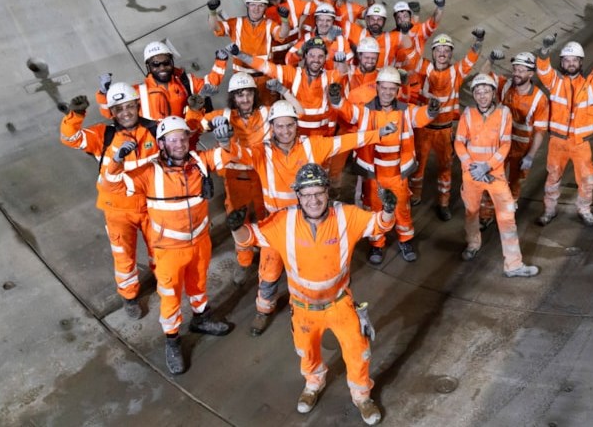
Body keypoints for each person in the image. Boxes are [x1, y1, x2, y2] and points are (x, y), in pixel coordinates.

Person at [226, 163, 396, 425]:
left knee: (359, 351)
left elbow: (379, 225)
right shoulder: (283, 222)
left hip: (340, 304)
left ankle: (362, 396)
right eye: (306, 194)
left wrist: (388, 210)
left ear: (328, 192)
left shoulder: (346, 217)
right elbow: (248, 238)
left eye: (318, 193)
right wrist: (236, 226)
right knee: (306, 352)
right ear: (298, 196)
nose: (313, 200)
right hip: (304, 310)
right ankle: (313, 383)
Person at [221, 101, 394, 335]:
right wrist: (225, 143)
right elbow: (239, 154)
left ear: (297, 125)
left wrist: (378, 133)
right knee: (269, 270)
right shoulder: (262, 152)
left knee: (323, 263)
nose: (285, 131)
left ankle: (333, 304)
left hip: (311, 220)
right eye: (279, 126)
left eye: (289, 125)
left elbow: (346, 141)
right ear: (272, 127)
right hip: (278, 225)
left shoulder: (313, 146)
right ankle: (264, 310)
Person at [100, 116, 235, 375]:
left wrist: (225, 141)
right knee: (170, 296)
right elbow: (111, 186)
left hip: (199, 242)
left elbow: (227, 157)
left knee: (198, 285)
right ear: (161, 144)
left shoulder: (199, 162)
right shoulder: (149, 172)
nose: (179, 144)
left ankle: (201, 319)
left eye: (183, 139)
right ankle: (172, 341)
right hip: (169, 251)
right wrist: (116, 161)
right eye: (172, 140)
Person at [59, 83, 159, 319]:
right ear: (112, 112)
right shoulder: (103, 135)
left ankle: (164, 282)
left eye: (130, 106)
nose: (125, 113)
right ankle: (129, 297)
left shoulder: (154, 130)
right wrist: (76, 115)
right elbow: (70, 138)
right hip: (117, 210)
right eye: (119, 109)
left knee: (160, 249)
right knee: (124, 257)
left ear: (138, 106)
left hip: (151, 204)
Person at [199, 72, 303, 277]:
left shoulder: (266, 113)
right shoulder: (223, 116)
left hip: (264, 174)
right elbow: (193, 126)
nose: (245, 99)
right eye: (240, 95)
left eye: (248, 94)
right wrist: (199, 102)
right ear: (233, 97)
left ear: (255, 95)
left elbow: (298, 112)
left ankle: (272, 257)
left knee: (269, 218)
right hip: (236, 179)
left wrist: (283, 91)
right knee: (239, 220)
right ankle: (244, 262)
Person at [331, 67, 438, 264]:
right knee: (374, 208)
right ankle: (377, 244)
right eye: (384, 88)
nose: (387, 92)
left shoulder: (405, 110)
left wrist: (432, 110)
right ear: (377, 87)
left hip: (397, 172)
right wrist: (336, 99)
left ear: (397, 90)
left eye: (392, 89)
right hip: (375, 174)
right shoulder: (366, 111)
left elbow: (421, 116)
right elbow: (348, 111)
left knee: (401, 208)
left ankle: (405, 240)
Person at [535, 33, 593, 226]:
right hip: (558, 141)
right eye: (567, 60)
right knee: (553, 177)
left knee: (587, 178)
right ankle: (549, 210)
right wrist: (544, 50)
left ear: (580, 62)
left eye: (574, 60)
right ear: (562, 62)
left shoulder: (591, 83)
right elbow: (543, 69)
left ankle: (584, 209)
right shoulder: (555, 82)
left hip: (581, 143)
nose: (571, 64)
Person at [454, 74, 539, 277]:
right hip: (471, 174)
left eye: (486, 91)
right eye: (478, 92)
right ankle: (473, 244)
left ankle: (513, 264)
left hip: (494, 175)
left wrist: (487, 166)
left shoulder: (504, 113)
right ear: (474, 95)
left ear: (493, 93)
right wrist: (472, 166)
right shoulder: (468, 113)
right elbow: (459, 142)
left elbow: (505, 144)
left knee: (507, 216)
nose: (482, 96)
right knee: (471, 212)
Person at [404, 31, 483, 219]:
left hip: (445, 130)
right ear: (433, 53)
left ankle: (443, 202)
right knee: (417, 165)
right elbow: (410, 54)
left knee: (445, 167)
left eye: (446, 50)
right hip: (425, 129)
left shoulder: (456, 72)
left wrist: (478, 41)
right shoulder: (424, 68)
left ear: (450, 54)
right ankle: (414, 195)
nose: (442, 53)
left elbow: (471, 59)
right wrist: (406, 33)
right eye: (438, 50)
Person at [478, 50, 549, 228]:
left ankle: (506, 214)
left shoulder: (539, 99)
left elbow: (540, 131)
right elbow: (482, 77)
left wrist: (530, 155)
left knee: (514, 184)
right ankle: (486, 214)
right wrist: (490, 59)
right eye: (515, 69)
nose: (516, 73)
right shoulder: (505, 85)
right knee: (492, 178)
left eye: (521, 70)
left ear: (531, 74)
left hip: (521, 149)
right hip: (500, 144)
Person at [95, 39, 226, 121]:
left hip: (182, 140)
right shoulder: (137, 92)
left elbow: (210, 84)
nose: (162, 68)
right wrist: (103, 93)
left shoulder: (186, 82)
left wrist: (220, 61)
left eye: (166, 63)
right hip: (153, 145)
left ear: (172, 62)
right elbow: (111, 113)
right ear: (149, 67)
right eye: (156, 64)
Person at [208, 0, 291, 105]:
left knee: (267, 110)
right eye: (253, 5)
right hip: (242, 81)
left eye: (260, 5)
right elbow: (216, 27)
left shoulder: (269, 24)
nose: (256, 9)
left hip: (264, 80)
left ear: (265, 7)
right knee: (245, 111)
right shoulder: (236, 23)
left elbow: (283, 34)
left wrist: (285, 20)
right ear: (247, 5)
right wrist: (212, 12)